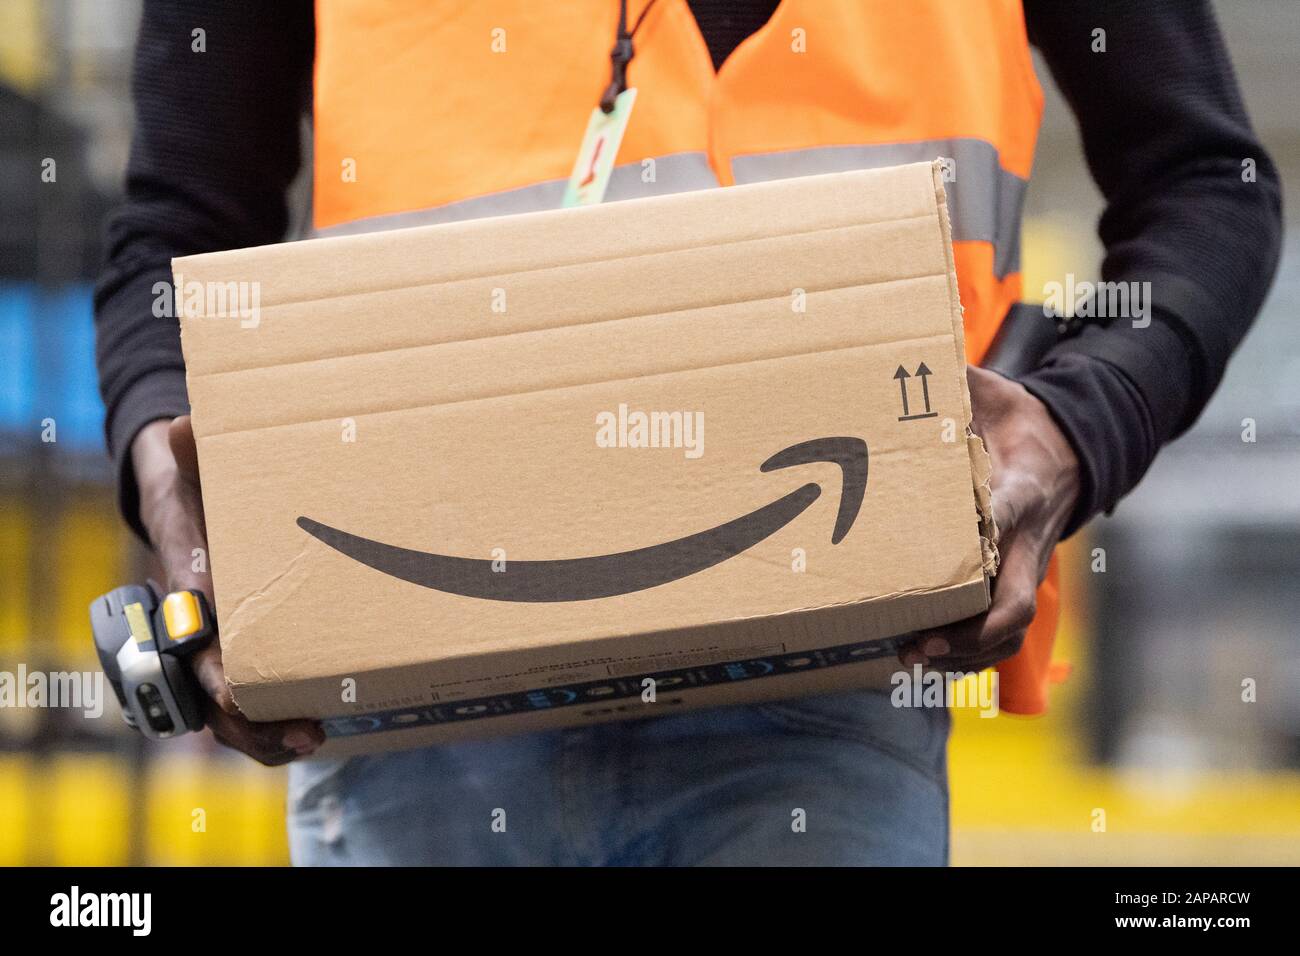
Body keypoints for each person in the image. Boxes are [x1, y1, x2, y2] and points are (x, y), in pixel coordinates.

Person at [96, 0, 1281, 865]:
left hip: (837, 694)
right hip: (414, 727)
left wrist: (1075, 430)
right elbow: (175, 229)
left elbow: (1204, 181)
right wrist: (180, 503)